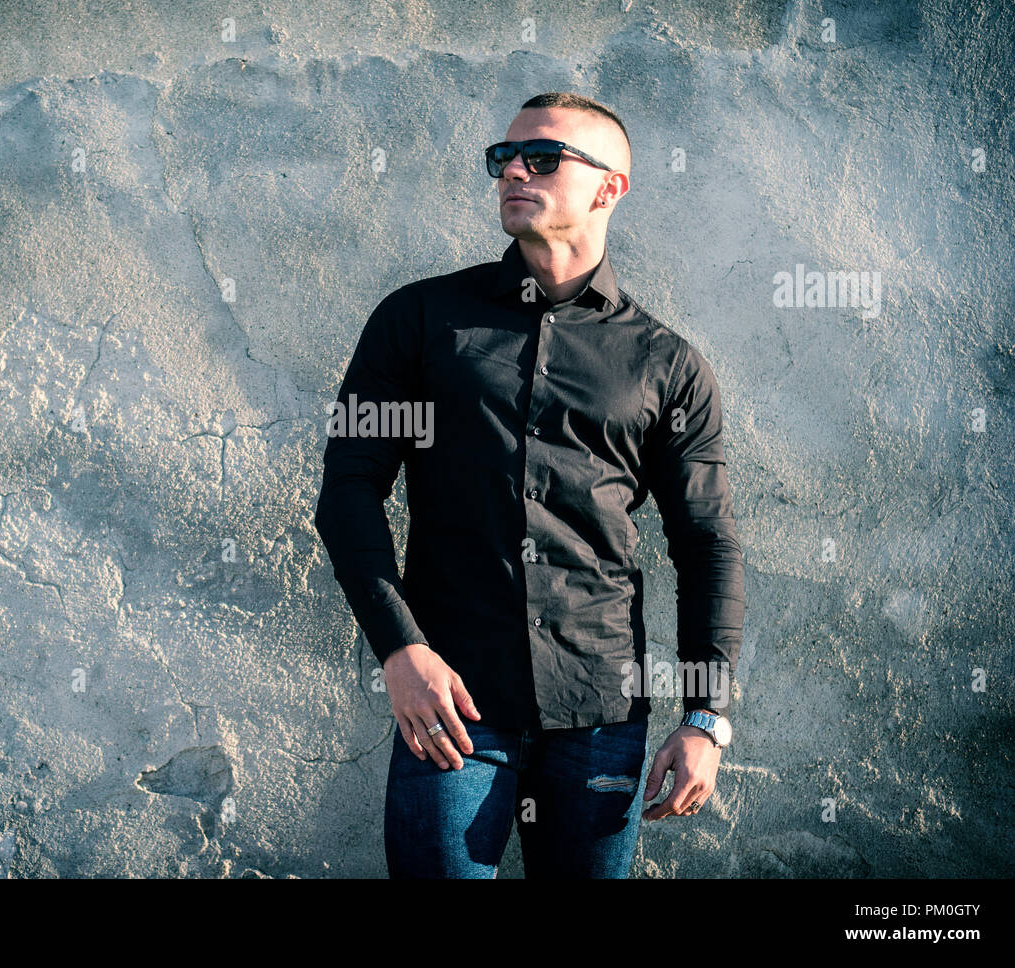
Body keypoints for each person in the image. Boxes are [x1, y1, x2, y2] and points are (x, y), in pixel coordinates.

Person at [313, 91, 745, 878]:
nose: (512, 169)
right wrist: (399, 648)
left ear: (609, 187)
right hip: (451, 709)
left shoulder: (668, 363)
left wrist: (705, 718)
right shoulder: (419, 321)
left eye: (542, 158)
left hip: (601, 715)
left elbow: (707, 544)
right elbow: (347, 490)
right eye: (502, 158)